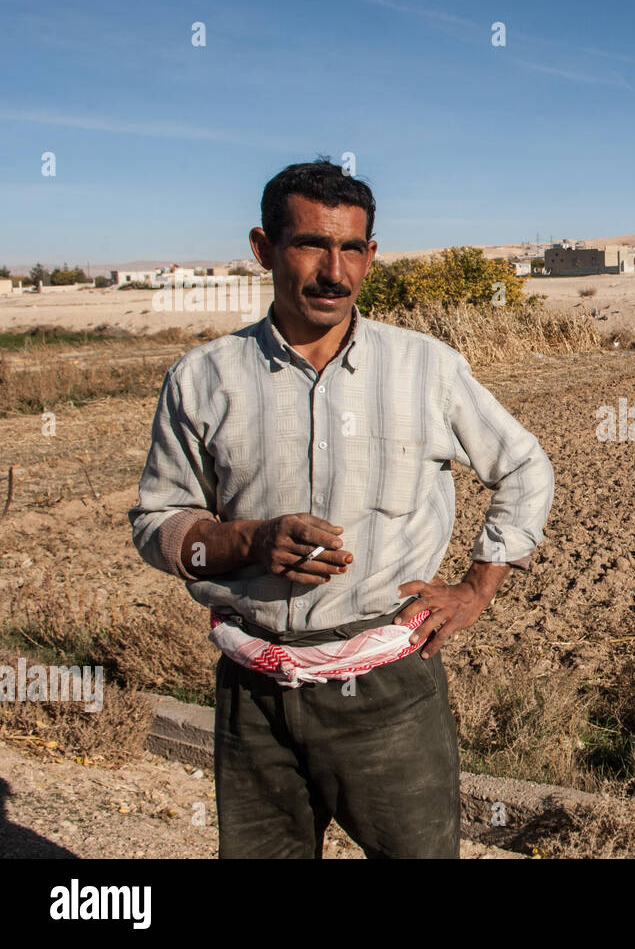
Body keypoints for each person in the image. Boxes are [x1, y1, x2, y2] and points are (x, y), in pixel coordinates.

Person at [128, 159, 554, 858]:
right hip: (253, 693)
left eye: (352, 248)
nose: (334, 270)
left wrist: (476, 588)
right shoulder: (202, 380)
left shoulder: (426, 368)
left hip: (389, 691)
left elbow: (525, 468)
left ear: (371, 254)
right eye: (309, 245)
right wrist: (247, 543)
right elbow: (157, 522)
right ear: (263, 248)